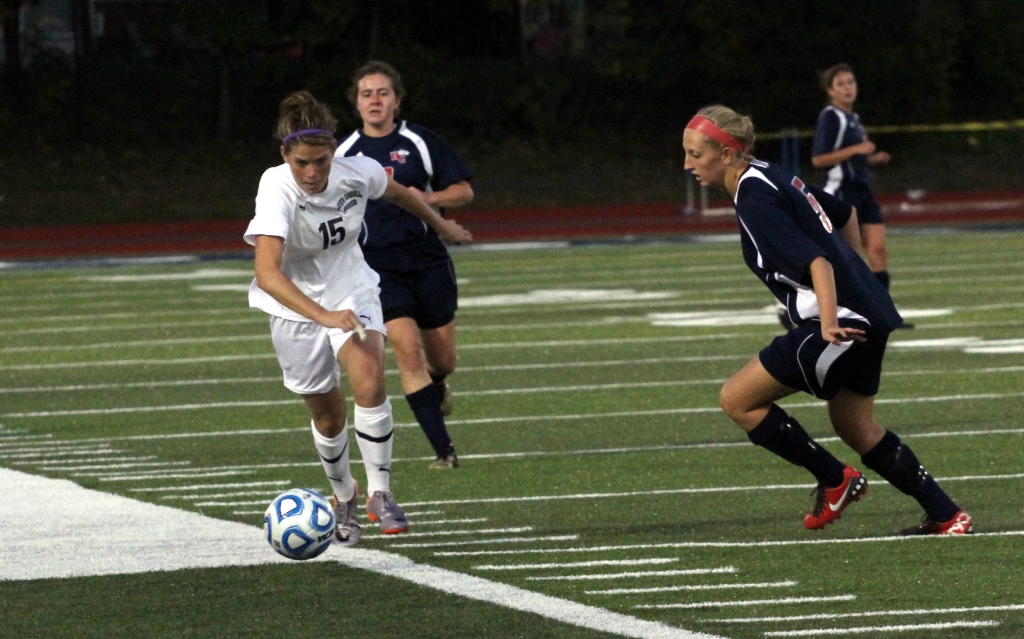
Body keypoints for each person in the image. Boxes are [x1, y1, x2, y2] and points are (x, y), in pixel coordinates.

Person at [682, 104, 973, 535]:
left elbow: (816, 260)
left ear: (727, 154)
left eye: (695, 154)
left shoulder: (754, 195)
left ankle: (835, 479)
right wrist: (858, 275)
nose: (687, 164)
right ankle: (947, 514)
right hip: (869, 310)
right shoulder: (771, 172)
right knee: (855, 425)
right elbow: (845, 213)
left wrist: (830, 319)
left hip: (842, 321)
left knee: (737, 400)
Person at [244, 90, 473, 546]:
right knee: (328, 418)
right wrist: (324, 316)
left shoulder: (356, 171)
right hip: (294, 306)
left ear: (334, 151)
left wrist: (442, 225)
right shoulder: (275, 186)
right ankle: (343, 495)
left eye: (322, 161)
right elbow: (267, 273)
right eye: (302, 162)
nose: (312, 173)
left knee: (370, 382)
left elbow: (401, 194)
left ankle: (380, 493)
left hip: (353, 286)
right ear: (285, 154)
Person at [335, 61, 474, 469]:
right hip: (378, 269)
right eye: (366, 94)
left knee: (441, 360)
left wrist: (426, 201)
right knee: (408, 354)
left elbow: (464, 190)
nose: (375, 100)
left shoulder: (419, 141)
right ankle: (444, 451)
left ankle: (440, 384)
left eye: (382, 92)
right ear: (356, 103)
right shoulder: (343, 154)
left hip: (428, 259)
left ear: (396, 99)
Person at [811, 63, 905, 303]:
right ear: (830, 91)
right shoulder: (830, 117)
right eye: (840, 84)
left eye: (850, 82)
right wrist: (858, 148)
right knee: (844, 258)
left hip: (862, 190)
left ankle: (882, 313)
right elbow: (819, 159)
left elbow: (852, 158)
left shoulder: (853, 118)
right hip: (840, 193)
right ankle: (805, 304)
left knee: (877, 251)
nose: (847, 88)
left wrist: (871, 158)